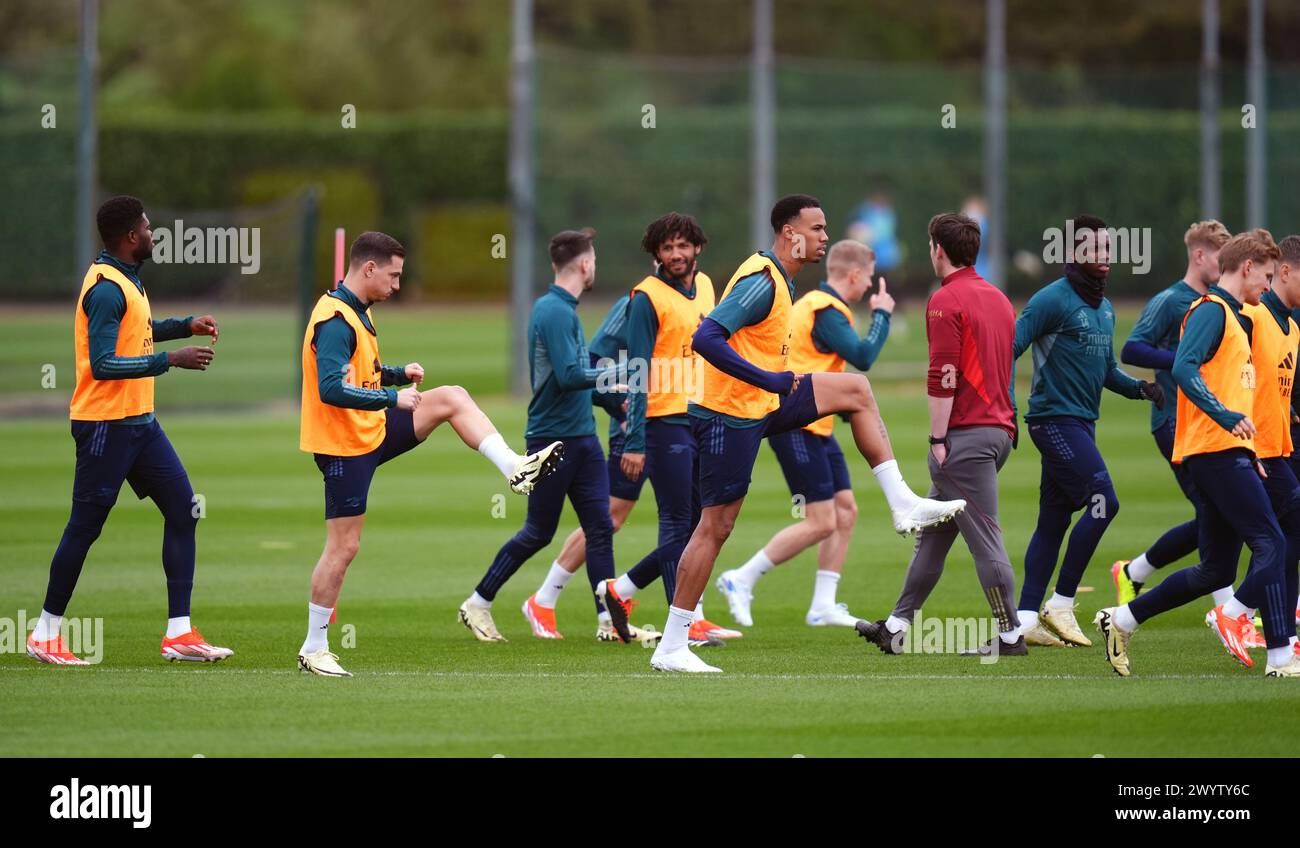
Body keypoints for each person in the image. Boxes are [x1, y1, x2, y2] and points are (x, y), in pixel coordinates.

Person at [648, 194, 966, 674]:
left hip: (762, 403)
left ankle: (901, 502)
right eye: (817, 228)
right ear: (789, 233)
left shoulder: (785, 280)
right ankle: (672, 646)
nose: (825, 236)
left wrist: (773, 383)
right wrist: (769, 379)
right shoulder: (762, 281)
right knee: (715, 527)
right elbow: (706, 338)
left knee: (856, 390)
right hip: (728, 415)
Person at [298, 231, 563, 676]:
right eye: (393, 275)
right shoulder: (336, 320)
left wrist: (396, 373)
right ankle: (314, 647)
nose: (397, 285)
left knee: (451, 397)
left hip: (370, 430)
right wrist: (392, 397)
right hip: (344, 446)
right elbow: (330, 389)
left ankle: (514, 467)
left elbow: (361, 371)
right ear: (369, 268)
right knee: (344, 548)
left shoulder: (358, 309)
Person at [27, 195, 231, 666]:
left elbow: (138, 331)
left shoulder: (126, 278)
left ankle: (179, 633)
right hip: (105, 425)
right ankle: (44, 633)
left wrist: (185, 326)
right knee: (85, 527)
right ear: (131, 236)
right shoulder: (105, 289)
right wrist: (171, 360)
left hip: (140, 424)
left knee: (184, 510)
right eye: (148, 227)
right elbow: (102, 364)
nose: (153, 233)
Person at [521, 214, 735, 644]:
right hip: (643, 424)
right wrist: (621, 413)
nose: (675, 255)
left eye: (682, 246)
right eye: (667, 248)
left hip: (687, 419)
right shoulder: (639, 302)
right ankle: (550, 598)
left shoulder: (705, 287)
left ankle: (629, 595)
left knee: (680, 522)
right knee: (621, 519)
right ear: (656, 255)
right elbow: (598, 361)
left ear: (697, 249)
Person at [1096, 229, 1300, 678]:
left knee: (1215, 571)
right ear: (1247, 267)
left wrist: (1250, 446)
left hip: (1228, 451)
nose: (1267, 286)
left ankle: (1123, 619)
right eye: (1266, 277)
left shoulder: (1236, 316)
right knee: (1273, 541)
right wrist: (1225, 417)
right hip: (1214, 449)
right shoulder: (1211, 311)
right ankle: (1261, 638)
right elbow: (1184, 367)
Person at [856, 212, 1024, 657]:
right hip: (997, 430)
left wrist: (937, 440)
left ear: (939, 250)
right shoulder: (1000, 298)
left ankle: (1011, 635)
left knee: (985, 540)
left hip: (966, 439)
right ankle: (896, 628)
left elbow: (943, 375)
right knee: (932, 535)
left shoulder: (945, 299)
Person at [460, 229, 628, 645]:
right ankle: (477, 603)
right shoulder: (553, 311)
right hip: (552, 441)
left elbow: (577, 379)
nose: (595, 266)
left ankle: (608, 622)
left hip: (583, 438)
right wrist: (622, 371)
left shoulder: (565, 309)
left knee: (600, 529)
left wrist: (613, 402)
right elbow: (570, 376)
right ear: (585, 264)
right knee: (538, 531)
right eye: (594, 260)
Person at [716, 240, 894, 629]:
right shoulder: (827, 310)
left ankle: (823, 605)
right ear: (854, 275)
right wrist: (882, 314)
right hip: (798, 424)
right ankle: (740, 578)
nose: (869, 286)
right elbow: (863, 357)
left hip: (817, 425)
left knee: (845, 511)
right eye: (868, 278)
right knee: (820, 520)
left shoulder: (816, 304)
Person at [1011, 214, 1162, 648]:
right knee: (1103, 501)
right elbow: (1007, 350)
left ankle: (1024, 620)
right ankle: (1061, 602)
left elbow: (1107, 368)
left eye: (1108, 248)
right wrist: (1009, 405)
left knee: (1053, 521)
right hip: (1052, 422)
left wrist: (1140, 389)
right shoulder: (1050, 300)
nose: (1104, 255)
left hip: (1082, 424)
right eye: (1094, 248)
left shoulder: (1105, 308)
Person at [1111, 220, 1232, 604]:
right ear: (1199, 255)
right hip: (1173, 421)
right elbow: (1131, 349)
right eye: (1220, 258)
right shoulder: (1170, 300)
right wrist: (1183, 360)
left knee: (1218, 512)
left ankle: (1133, 572)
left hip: (1206, 424)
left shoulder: (1218, 303)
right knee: (1216, 511)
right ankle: (1227, 609)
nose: (1224, 267)